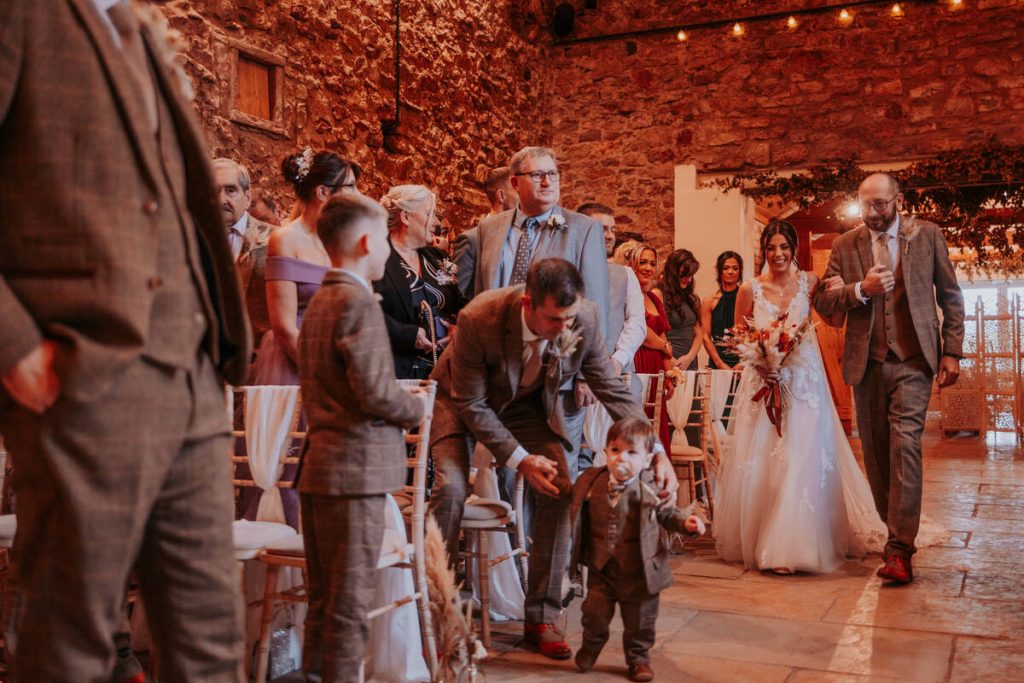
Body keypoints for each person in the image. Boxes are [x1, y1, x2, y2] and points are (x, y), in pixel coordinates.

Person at [0, 1, 250, 679]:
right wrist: (14, 344)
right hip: (84, 374)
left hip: (195, 372)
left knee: (211, 640)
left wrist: (214, 346)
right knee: (70, 644)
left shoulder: (137, 27)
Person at [428, 258, 679, 660]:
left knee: (562, 488)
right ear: (528, 303)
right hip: (459, 400)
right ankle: (437, 605)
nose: (566, 328)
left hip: (523, 405)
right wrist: (519, 458)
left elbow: (613, 390)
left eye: (570, 317)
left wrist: (656, 451)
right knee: (452, 487)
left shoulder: (583, 317)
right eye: (554, 320)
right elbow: (472, 403)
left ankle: (541, 616)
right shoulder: (480, 317)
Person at [296, 193, 425, 682]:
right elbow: (374, 391)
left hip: (320, 466)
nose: (388, 256)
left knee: (324, 599)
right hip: (354, 470)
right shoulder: (357, 302)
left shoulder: (322, 299)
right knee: (350, 604)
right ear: (369, 241)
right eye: (385, 247)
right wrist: (416, 407)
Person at [814, 173, 965, 584]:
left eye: (881, 204)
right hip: (866, 363)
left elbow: (950, 296)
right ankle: (890, 528)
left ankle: (899, 549)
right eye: (866, 204)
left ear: (898, 200)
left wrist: (951, 350)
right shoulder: (846, 246)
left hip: (914, 361)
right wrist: (860, 290)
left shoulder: (927, 236)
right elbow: (825, 302)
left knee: (905, 447)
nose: (873, 212)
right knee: (878, 458)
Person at [715, 221, 887, 575]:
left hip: (806, 383)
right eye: (771, 247)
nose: (778, 254)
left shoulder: (809, 282)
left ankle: (798, 543)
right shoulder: (750, 289)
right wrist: (761, 363)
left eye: (784, 247)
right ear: (763, 251)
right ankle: (770, 541)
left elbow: (835, 321)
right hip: (765, 381)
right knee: (766, 460)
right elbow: (739, 336)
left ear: (793, 248)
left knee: (803, 458)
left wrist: (846, 290)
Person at [571, 418, 704, 682]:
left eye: (632, 453)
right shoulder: (591, 482)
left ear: (646, 460)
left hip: (640, 568)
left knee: (640, 620)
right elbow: (572, 498)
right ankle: (591, 645)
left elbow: (667, 513)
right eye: (616, 450)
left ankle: (638, 658)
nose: (622, 458)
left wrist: (685, 523)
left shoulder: (649, 485)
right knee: (593, 612)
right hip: (602, 566)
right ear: (606, 452)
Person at [455, 147, 610, 339]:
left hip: (554, 352)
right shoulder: (488, 229)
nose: (547, 182)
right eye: (537, 175)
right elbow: (480, 297)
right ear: (515, 182)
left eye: (552, 174)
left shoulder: (585, 230)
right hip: (495, 349)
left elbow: (595, 307)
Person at [248, 148, 360, 386]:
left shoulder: (341, 241)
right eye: (350, 187)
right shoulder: (286, 239)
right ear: (322, 192)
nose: (358, 194)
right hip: (297, 363)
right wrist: (324, 374)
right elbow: (284, 328)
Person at [375, 185, 465, 379]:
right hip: (396, 370)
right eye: (430, 214)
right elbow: (361, 310)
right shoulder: (376, 256)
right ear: (405, 217)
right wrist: (406, 334)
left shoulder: (435, 257)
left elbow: (460, 303)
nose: (436, 222)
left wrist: (460, 328)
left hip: (443, 371)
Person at [614, 241, 674, 454]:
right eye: (643, 262)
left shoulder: (654, 297)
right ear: (630, 264)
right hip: (637, 362)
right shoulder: (625, 296)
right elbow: (645, 335)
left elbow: (662, 331)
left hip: (657, 368)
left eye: (652, 263)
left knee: (658, 423)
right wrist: (665, 346)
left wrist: (669, 372)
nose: (648, 268)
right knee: (638, 424)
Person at [212, 158, 275, 341]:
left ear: (247, 198)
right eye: (214, 191)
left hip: (256, 352)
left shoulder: (275, 240)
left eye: (230, 190)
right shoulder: (192, 240)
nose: (222, 199)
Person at [658, 249, 702, 372]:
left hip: (690, 361)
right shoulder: (658, 294)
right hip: (669, 360)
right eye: (684, 274)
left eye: (691, 275)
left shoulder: (692, 298)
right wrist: (670, 358)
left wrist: (690, 357)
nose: (688, 279)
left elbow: (699, 333)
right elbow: (655, 332)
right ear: (672, 271)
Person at [701, 251, 744, 370]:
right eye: (726, 268)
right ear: (719, 271)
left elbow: (755, 333)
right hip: (717, 362)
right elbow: (705, 336)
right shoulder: (709, 301)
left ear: (740, 271)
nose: (730, 272)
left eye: (735, 268)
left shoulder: (748, 299)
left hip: (743, 361)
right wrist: (720, 364)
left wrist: (744, 363)